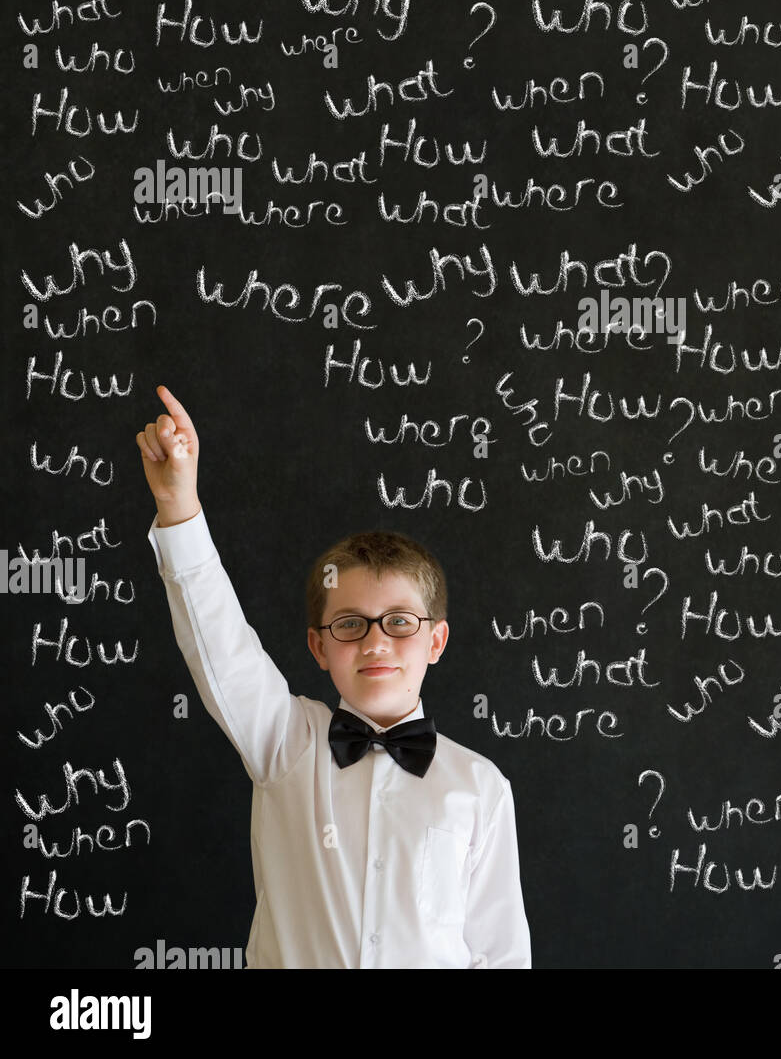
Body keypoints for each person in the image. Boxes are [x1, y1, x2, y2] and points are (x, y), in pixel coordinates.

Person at [136, 384, 530, 968]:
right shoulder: (286, 745)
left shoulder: (480, 787)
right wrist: (179, 508)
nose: (375, 641)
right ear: (319, 647)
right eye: (350, 624)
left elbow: (500, 957)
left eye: (399, 621)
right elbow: (223, 648)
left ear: (436, 639)